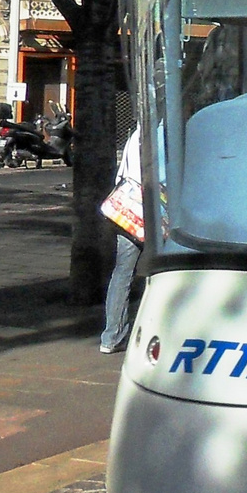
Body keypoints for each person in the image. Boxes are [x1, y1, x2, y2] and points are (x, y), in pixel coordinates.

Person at [100, 128, 144, 354]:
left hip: (127, 212)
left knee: (122, 273)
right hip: (150, 213)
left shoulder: (136, 133)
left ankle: (111, 336)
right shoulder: (163, 132)